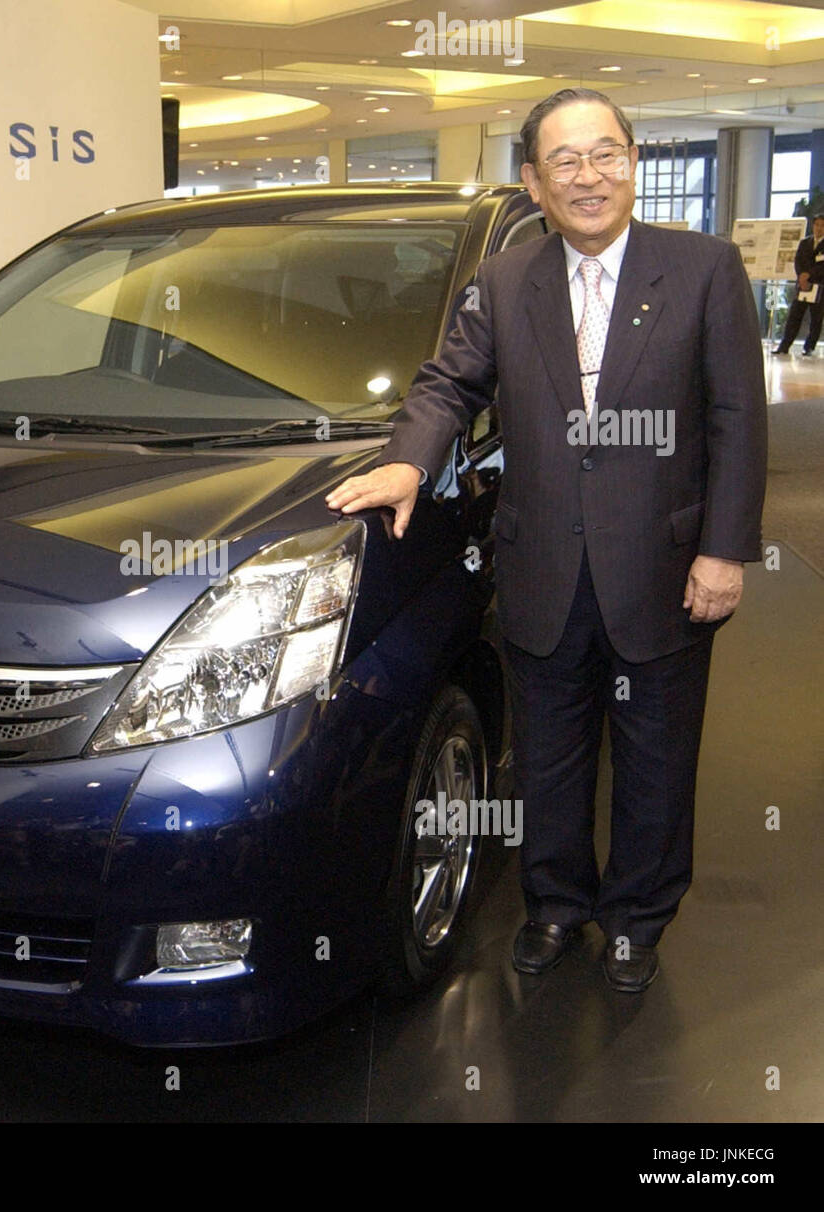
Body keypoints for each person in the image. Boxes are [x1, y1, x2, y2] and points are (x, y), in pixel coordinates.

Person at [325, 87, 767, 992]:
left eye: (606, 154)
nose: (589, 176)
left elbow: (736, 420)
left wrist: (727, 552)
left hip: (667, 569)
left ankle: (639, 920)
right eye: (565, 161)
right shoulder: (505, 281)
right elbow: (449, 383)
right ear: (532, 180)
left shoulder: (705, 270)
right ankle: (557, 906)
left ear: (634, 162)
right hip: (542, 569)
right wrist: (410, 461)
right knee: (551, 762)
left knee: (656, 763)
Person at [773, 213, 824, 356]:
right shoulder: (805, 243)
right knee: (794, 315)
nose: (819, 228)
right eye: (817, 225)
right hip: (802, 285)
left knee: (816, 319)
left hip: (819, 287)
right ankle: (784, 346)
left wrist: (810, 275)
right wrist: (802, 276)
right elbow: (798, 261)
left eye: (822, 226)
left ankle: (809, 347)